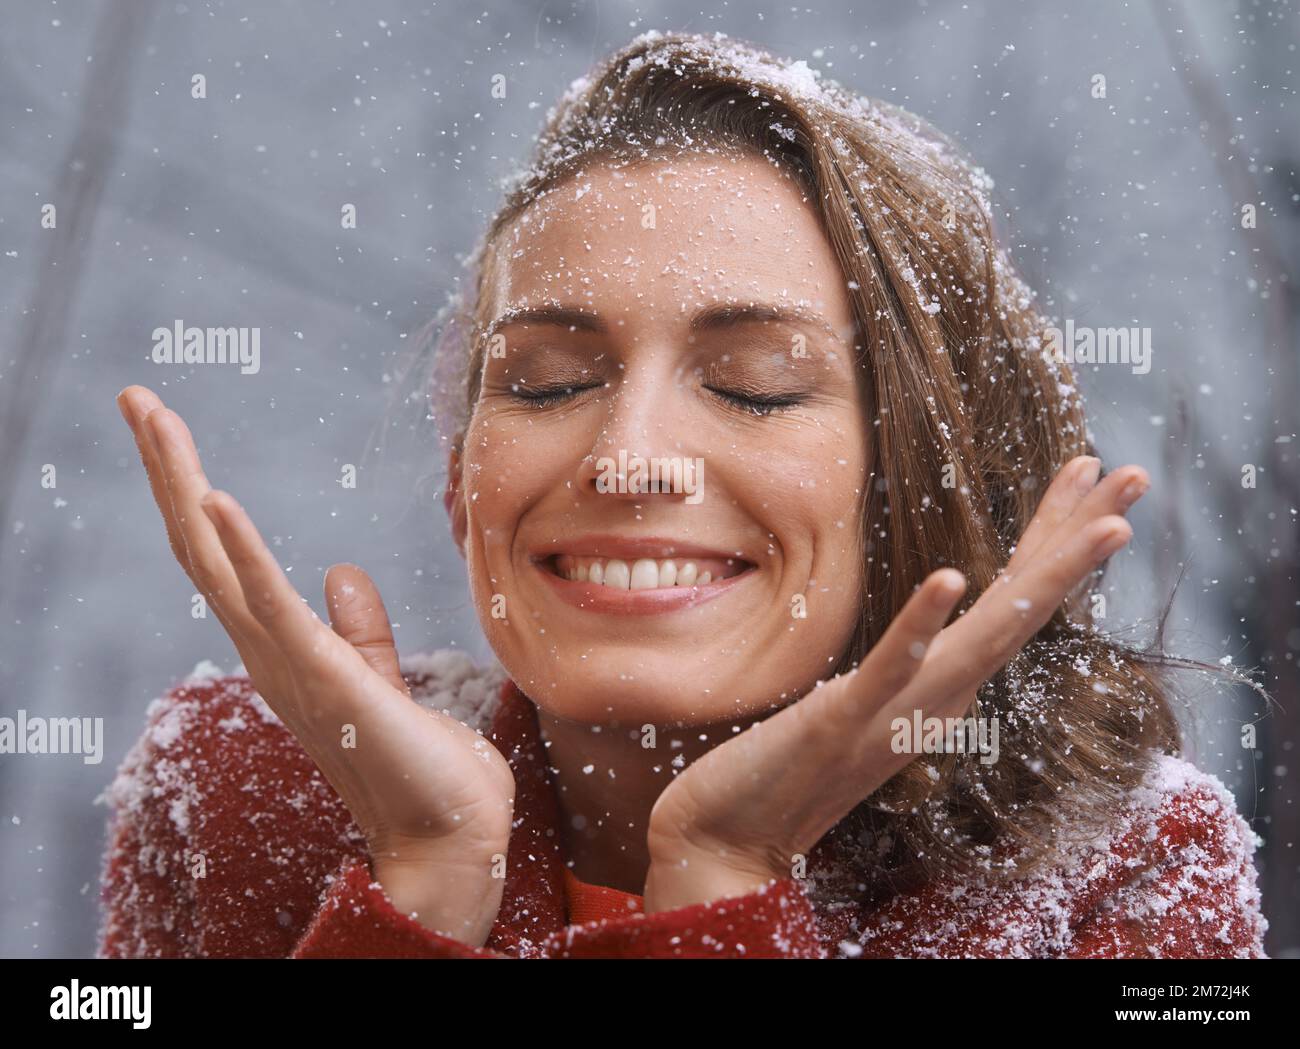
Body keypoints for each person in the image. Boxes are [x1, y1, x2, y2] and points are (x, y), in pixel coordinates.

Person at [97, 31, 1267, 958]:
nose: (628, 455)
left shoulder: (1122, 873)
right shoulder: (239, 793)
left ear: (909, 474)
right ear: (464, 485)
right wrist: (421, 884)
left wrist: (718, 886)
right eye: (547, 382)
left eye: (754, 387)